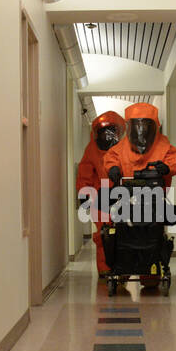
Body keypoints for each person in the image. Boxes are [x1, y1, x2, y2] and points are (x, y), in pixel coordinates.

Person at [76, 110, 125, 276]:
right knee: (103, 235)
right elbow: (85, 173)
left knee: (124, 233)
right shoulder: (92, 150)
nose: (107, 135)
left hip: (122, 196)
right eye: (104, 132)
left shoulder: (124, 149)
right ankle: (105, 269)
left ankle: (123, 269)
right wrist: (84, 195)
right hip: (100, 198)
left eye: (111, 131)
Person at [101, 102, 176, 190]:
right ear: (130, 126)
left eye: (144, 124)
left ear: (152, 125)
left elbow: (174, 159)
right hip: (128, 192)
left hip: (155, 192)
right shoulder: (121, 148)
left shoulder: (163, 146)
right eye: (137, 124)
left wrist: (167, 167)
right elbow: (111, 158)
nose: (140, 128)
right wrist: (113, 168)